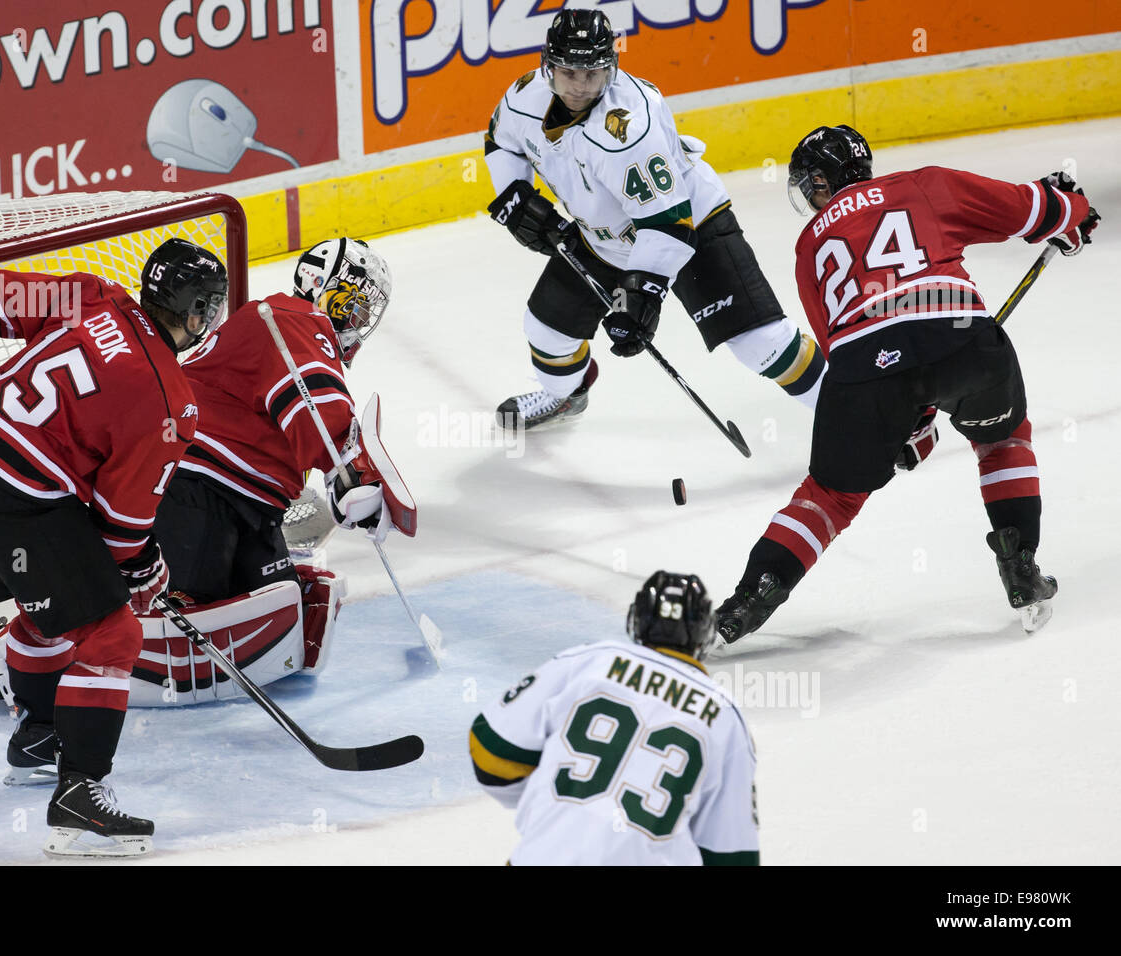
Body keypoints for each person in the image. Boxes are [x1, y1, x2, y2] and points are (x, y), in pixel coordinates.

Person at [713, 125, 1101, 646]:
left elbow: (846, 348)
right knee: (1002, 440)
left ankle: (751, 597)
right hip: (960, 337)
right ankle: (1022, 569)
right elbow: (1027, 210)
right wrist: (1067, 211)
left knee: (830, 497)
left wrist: (907, 421)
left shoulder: (810, 245)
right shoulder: (922, 185)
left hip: (864, 374)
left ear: (824, 182)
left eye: (808, 184)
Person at [0, 237, 227, 857]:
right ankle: (80, 801)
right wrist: (146, 572)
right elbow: (120, 528)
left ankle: (38, 737)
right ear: (192, 311)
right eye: (208, 309)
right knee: (112, 633)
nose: (208, 322)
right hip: (14, 498)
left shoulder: (92, 295)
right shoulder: (171, 400)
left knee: (54, 606)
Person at [484, 8, 825, 430]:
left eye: (592, 74)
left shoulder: (630, 127)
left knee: (760, 343)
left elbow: (669, 224)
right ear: (547, 65)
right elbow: (501, 142)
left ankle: (857, 412)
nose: (579, 85)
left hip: (690, 226)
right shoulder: (523, 99)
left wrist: (643, 293)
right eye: (568, 72)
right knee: (545, 331)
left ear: (611, 67)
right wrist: (515, 195)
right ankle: (565, 396)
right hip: (601, 239)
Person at [128, 237, 398, 705]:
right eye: (353, 304)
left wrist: (349, 474)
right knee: (189, 608)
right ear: (324, 289)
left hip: (249, 505)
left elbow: (314, 413)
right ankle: (49, 650)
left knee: (282, 598)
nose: (357, 321)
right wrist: (348, 474)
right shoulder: (287, 319)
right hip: (196, 487)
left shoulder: (294, 328)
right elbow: (314, 405)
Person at [470, 571, 759, 865]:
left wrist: (554, 802)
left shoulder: (589, 661)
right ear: (704, 633)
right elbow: (733, 855)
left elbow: (490, 749)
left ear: (637, 621)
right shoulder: (725, 715)